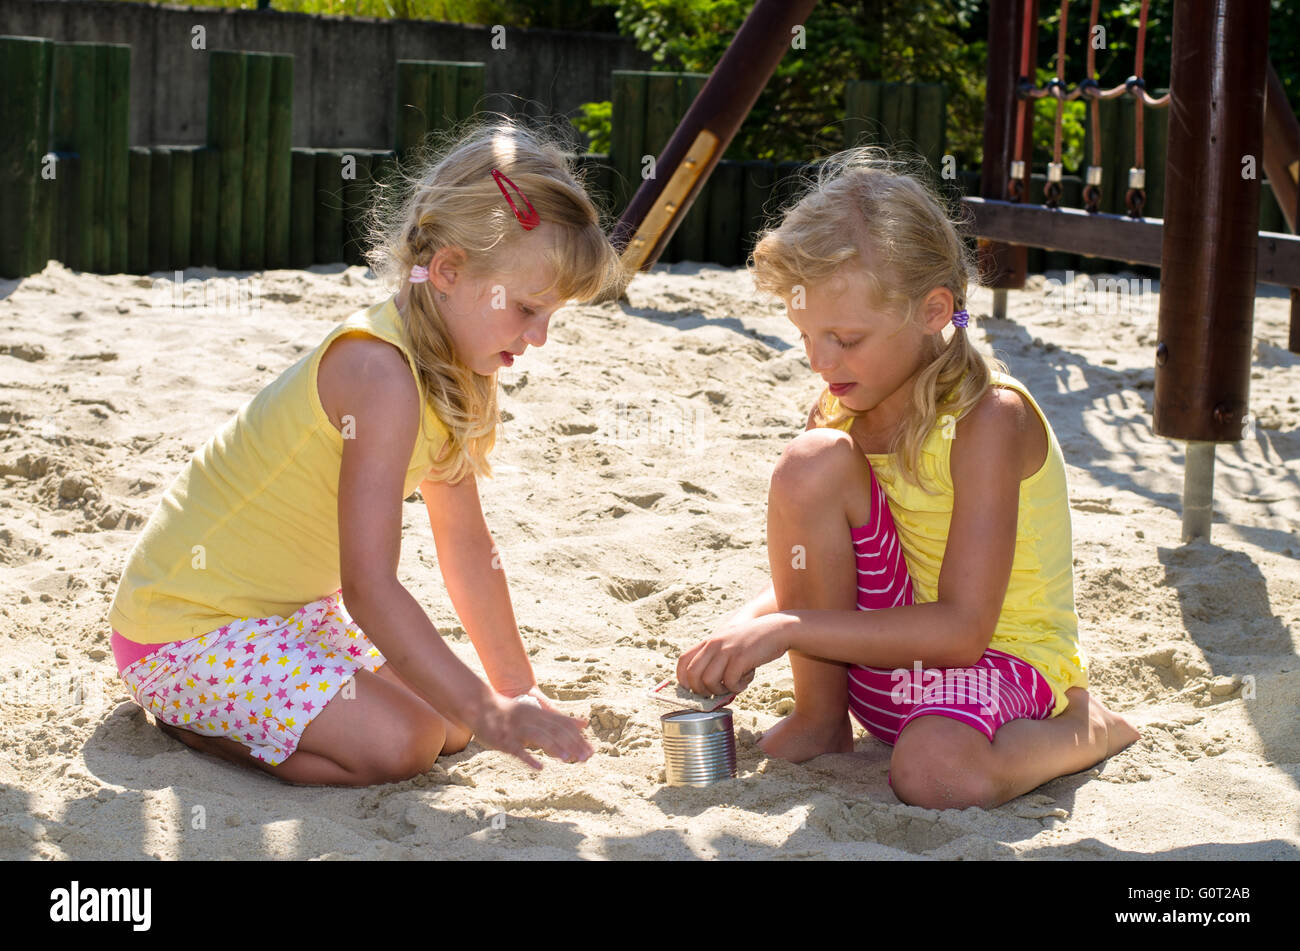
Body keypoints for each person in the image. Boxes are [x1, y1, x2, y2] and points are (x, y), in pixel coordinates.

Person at [107, 120, 625, 786]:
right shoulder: (378, 372)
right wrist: (487, 707)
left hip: (287, 615)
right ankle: (196, 724)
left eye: (551, 316)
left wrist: (510, 688)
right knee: (407, 742)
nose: (540, 337)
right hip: (187, 628)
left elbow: (466, 542)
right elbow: (370, 588)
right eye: (527, 309)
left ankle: (267, 714)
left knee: (453, 725)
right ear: (447, 270)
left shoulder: (456, 369)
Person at [676, 148, 1139, 810]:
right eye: (806, 334)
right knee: (809, 460)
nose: (819, 359)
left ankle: (1083, 728)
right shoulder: (841, 407)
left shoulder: (988, 420)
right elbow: (818, 571)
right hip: (880, 668)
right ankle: (822, 719)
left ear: (932, 311)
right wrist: (743, 626)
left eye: (846, 337)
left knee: (931, 772)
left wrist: (786, 630)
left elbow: (961, 631)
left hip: (1000, 669)